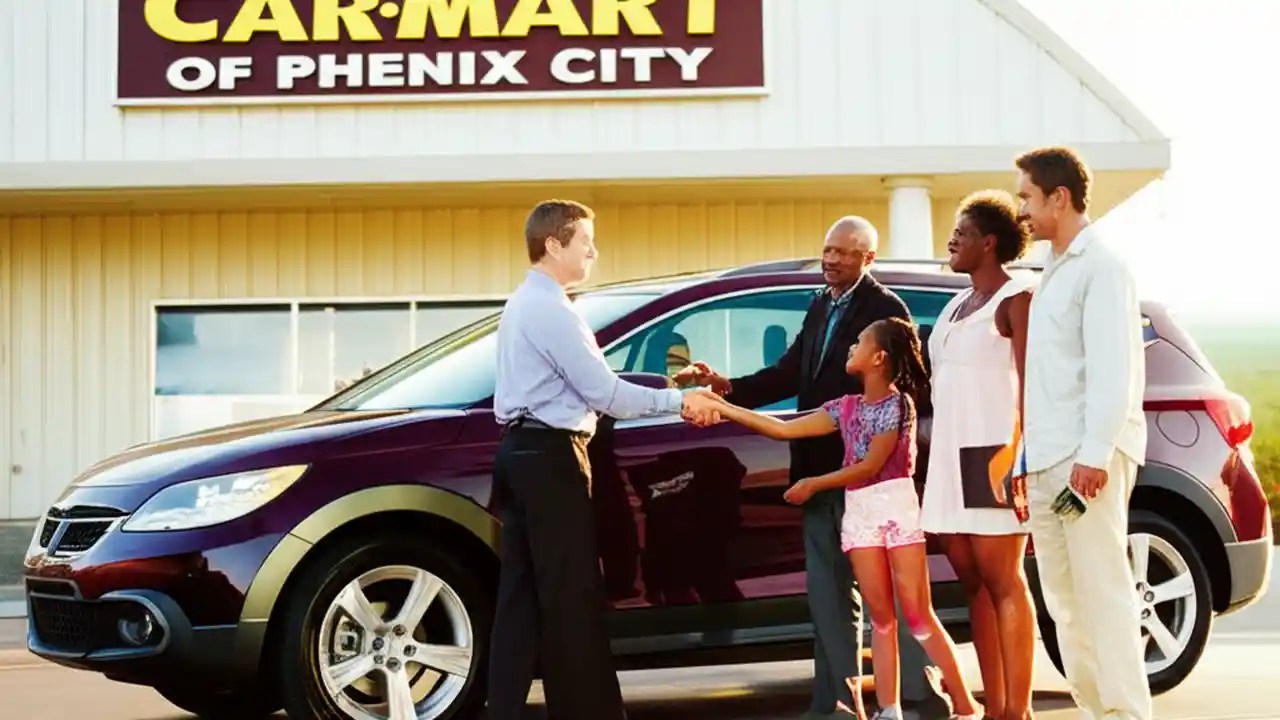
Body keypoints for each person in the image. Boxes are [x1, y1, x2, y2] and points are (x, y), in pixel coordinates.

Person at [675, 217, 951, 719]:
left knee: (887, 601)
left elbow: (908, 388)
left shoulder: (887, 310)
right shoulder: (820, 303)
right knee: (828, 599)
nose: (831, 260)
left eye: (844, 253)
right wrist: (726, 387)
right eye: (827, 249)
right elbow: (787, 372)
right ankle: (837, 703)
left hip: (865, 483)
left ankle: (921, 698)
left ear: (868, 259)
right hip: (815, 477)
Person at [487, 199, 722, 720]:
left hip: (521, 454)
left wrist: (664, 387)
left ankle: (502, 709)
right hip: (552, 457)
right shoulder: (552, 309)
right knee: (572, 599)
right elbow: (606, 394)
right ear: (553, 244)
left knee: (520, 600)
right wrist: (680, 402)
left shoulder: (524, 303)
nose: (595, 250)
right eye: (585, 241)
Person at [703, 318, 984, 720]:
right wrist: (723, 407)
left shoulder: (898, 404)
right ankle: (890, 708)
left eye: (859, 342)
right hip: (861, 514)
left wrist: (814, 483)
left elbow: (871, 464)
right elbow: (782, 430)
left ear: (879, 357)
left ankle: (964, 702)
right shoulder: (844, 407)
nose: (851, 347)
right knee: (881, 619)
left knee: (918, 615)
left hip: (895, 510)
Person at [1014, 147, 1152, 720]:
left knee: (1103, 597)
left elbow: (1112, 371)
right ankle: (1099, 713)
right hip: (1047, 462)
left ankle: (1128, 715)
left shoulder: (1103, 266)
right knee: (1065, 607)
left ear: (1058, 197)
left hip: (1083, 461)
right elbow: (1049, 379)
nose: (1020, 207)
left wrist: (1093, 456)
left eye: (1026, 195)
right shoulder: (1054, 267)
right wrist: (1025, 460)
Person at [919, 190, 1038, 720]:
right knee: (973, 583)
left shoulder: (1018, 297)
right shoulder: (952, 305)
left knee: (1004, 580)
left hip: (995, 454)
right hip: (947, 457)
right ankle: (994, 711)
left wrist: (1024, 456)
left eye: (962, 233)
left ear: (989, 243)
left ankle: (1018, 711)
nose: (952, 239)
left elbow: (1033, 383)